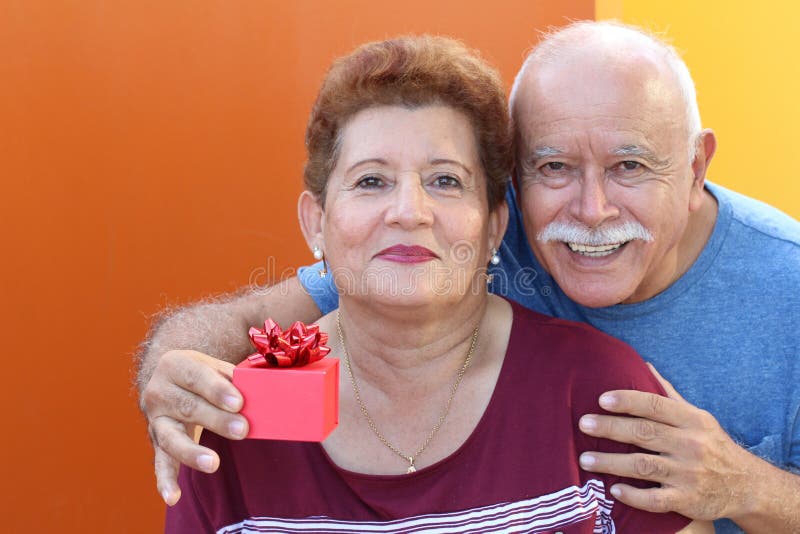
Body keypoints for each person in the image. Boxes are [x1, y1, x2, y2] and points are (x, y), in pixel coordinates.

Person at [138, 22, 800, 533]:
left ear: (694, 167)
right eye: (554, 166)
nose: (592, 209)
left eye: (630, 165)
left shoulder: (781, 291)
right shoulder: (426, 256)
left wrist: (747, 487)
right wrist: (168, 367)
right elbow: (238, 326)